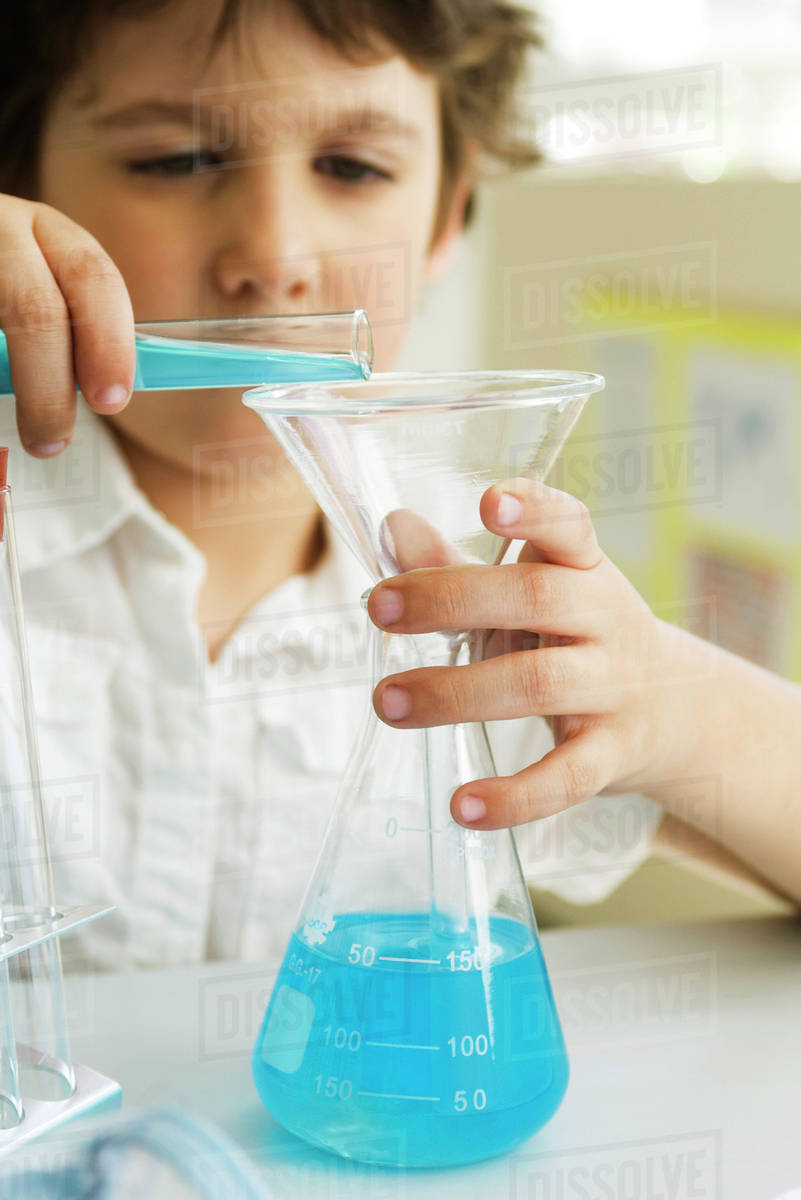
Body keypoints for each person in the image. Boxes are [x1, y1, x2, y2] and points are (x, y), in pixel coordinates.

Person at [0, 0, 795, 970]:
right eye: (177, 160)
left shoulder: (481, 582)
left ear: (447, 218)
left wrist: (677, 706)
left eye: (353, 167)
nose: (274, 259)